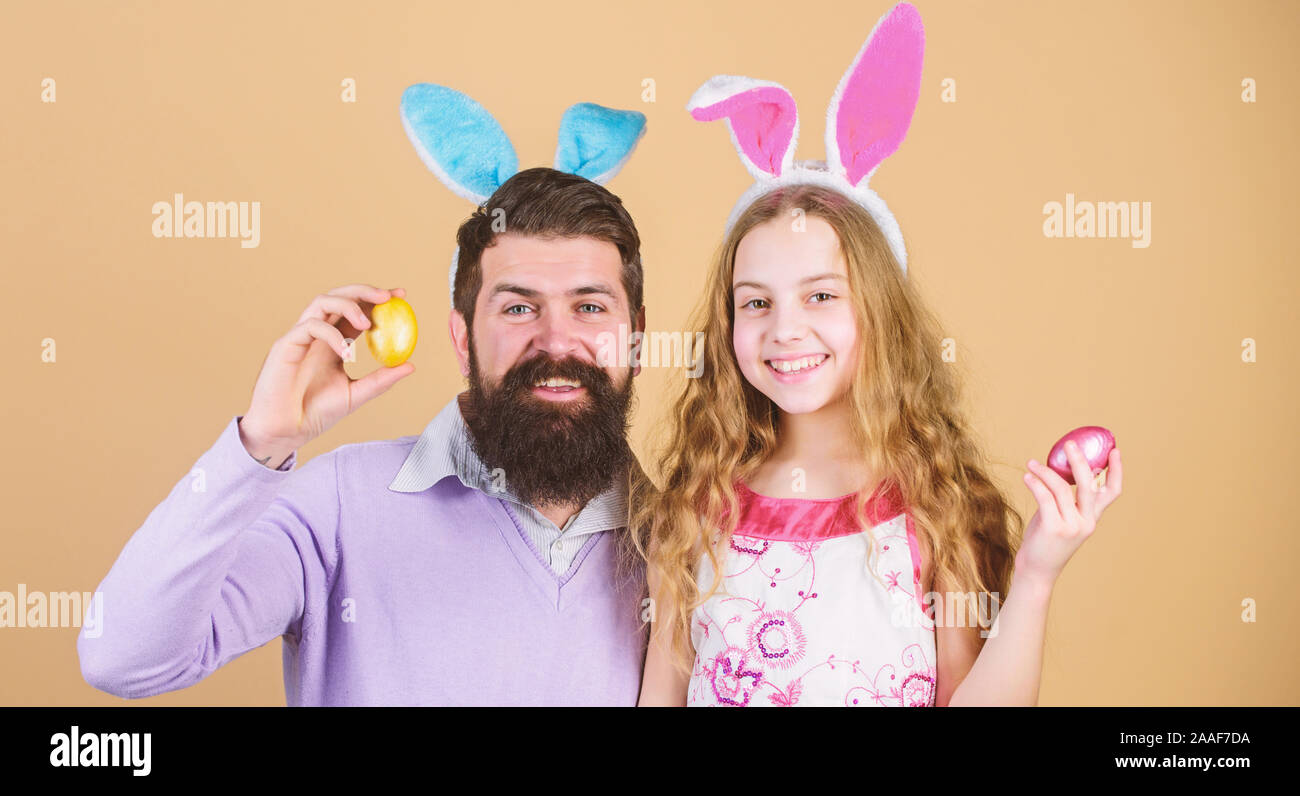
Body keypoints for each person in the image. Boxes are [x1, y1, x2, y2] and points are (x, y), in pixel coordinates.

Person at [633, 3, 1123, 706]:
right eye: (756, 302)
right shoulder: (697, 508)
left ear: (880, 314)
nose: (785, 330)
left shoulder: (933, 506)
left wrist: (1039, 572)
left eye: (822, 296)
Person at [77, 166, 652, 705]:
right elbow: (126, 659)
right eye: (519, 308)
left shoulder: (689, 539)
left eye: (590, 307)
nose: (556, 341)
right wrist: (260, 443)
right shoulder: (339, 502)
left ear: (637, 336)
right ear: (462, 339)